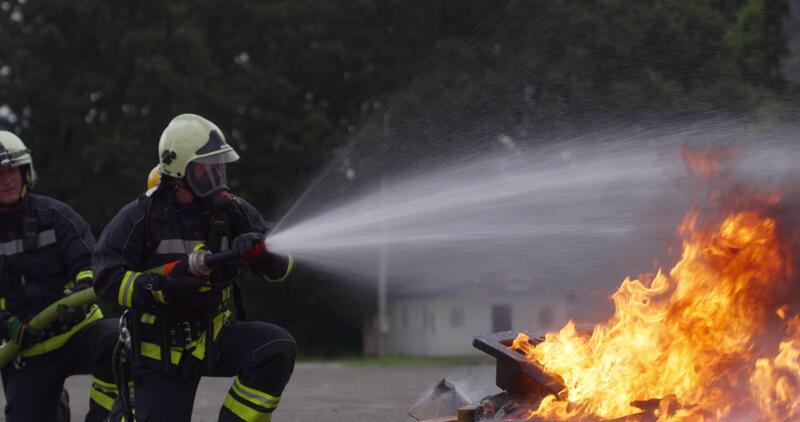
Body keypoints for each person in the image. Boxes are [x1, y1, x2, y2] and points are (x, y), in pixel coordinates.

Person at [93, 113, 296, 421]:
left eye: (219, 167)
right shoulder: (141, 217)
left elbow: (281, 267)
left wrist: (264, 255)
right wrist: (161, 288)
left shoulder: (233, 211)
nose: (217, 177)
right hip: (161, 352)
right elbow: (106, 278)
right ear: (179, 171)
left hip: (213, 337)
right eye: (206, 168)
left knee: (276, 347)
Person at [0, 131, 118, 421]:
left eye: (12, 170)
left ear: (26, 172)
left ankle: (103, 417)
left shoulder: (56, 215)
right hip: (26, 349)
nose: (7, 179)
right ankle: (55, 404)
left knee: (120, 342)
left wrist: (79, 293)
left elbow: (90, 263)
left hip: (78, 331)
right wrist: (8, 324)